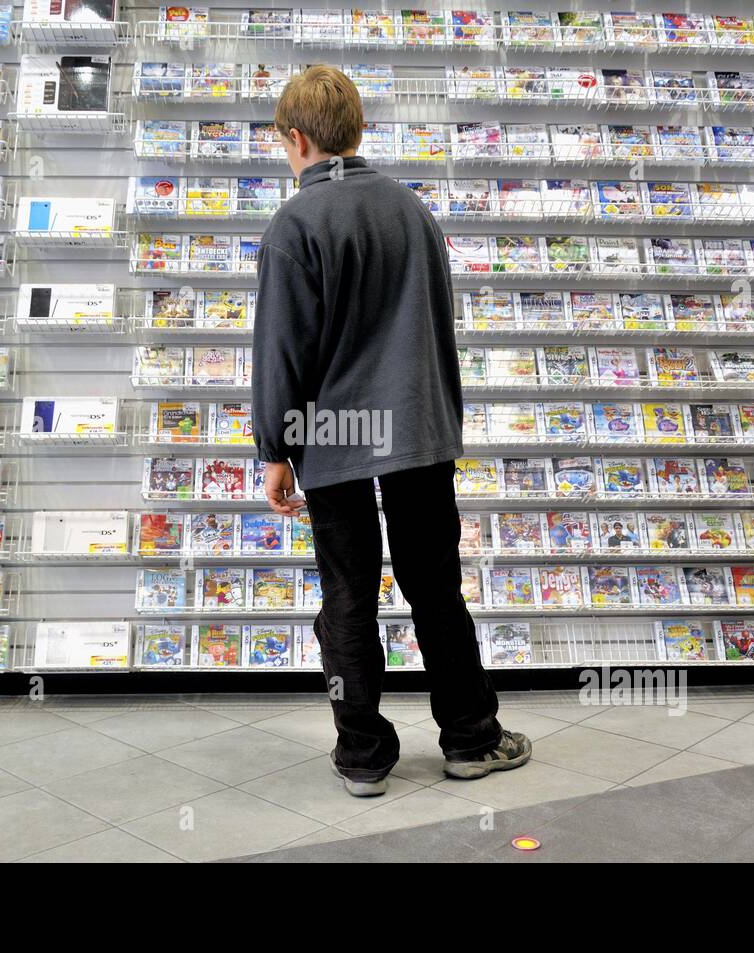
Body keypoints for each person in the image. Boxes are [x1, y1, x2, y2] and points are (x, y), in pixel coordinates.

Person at [252, 65, 530, 798]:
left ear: (298, 138)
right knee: (435, 585)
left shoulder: (294, 226)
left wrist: (275, 447)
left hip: (332, 431)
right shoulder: (412, 210)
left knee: (348, 594)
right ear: (360, 131)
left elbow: (283, 347)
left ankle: (362, 752)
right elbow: (436, 330)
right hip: (415, 425)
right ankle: (471, 737)